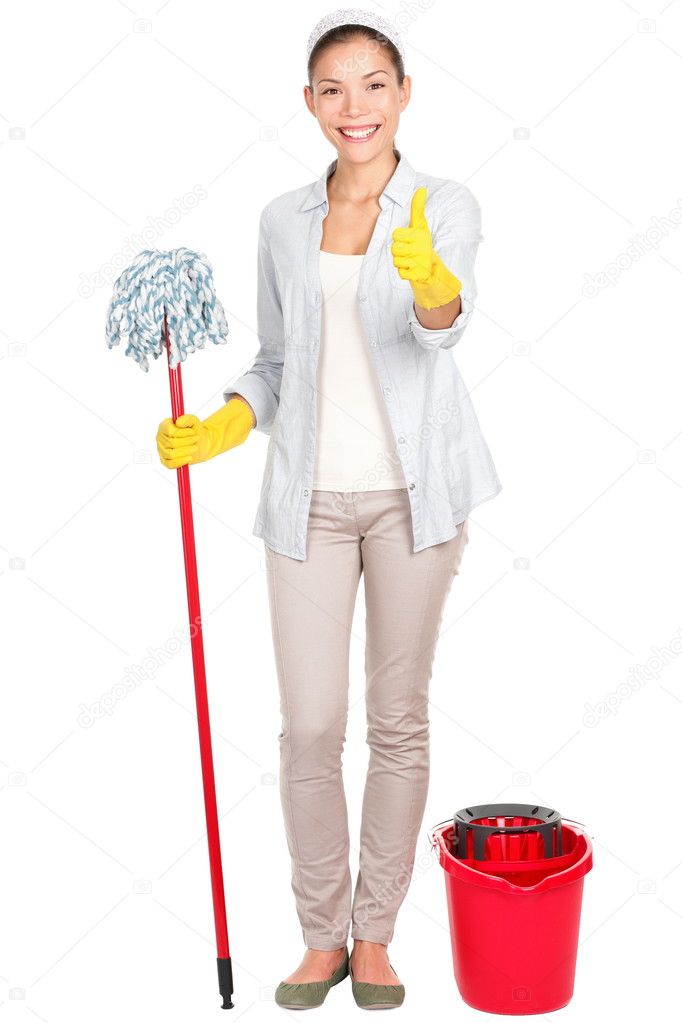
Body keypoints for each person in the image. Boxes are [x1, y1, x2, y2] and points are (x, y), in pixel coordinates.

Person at [156, 7, 501, 1010]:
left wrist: (431, 282)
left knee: (395, 720)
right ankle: (320, 936)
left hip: (414, 500)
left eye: (374, 84)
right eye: (333, 88)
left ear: (403, 94)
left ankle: (376, 934)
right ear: (309, 103)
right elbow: (272, 366)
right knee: (310, 728)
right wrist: (226, 420)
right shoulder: (279, 220)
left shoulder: (446, 201)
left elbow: (445, 325)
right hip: (305, 501)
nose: (355, 106)